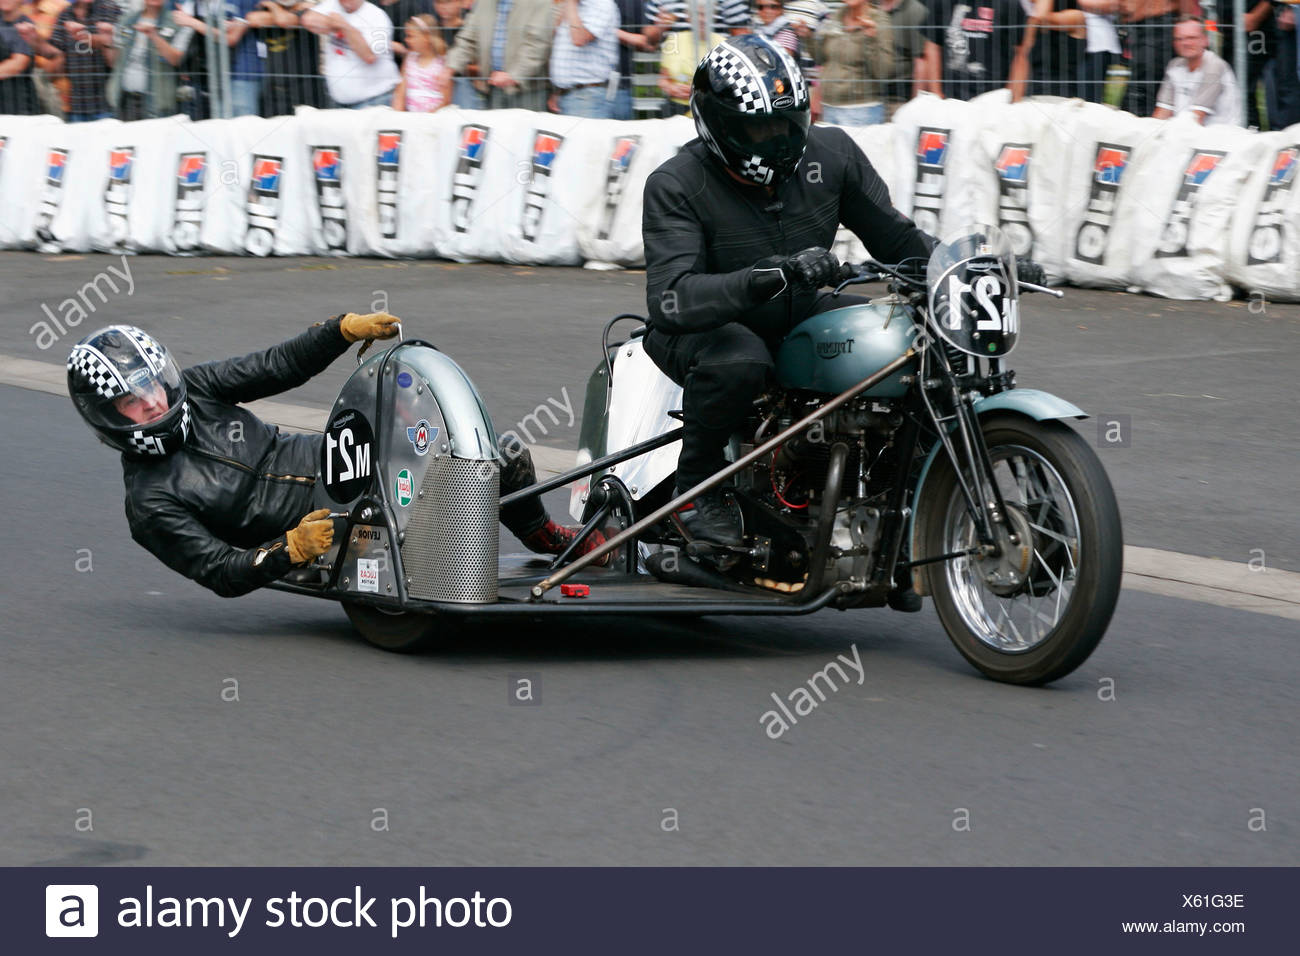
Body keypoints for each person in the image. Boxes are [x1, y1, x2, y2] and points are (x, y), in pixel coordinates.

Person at [640, 34, 934, 610]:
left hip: (800, 310)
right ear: (719, 125)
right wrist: (768, 275)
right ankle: (700, 489)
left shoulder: (834, 156)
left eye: (788, 124)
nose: (777, 141)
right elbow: (670, 299)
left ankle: (907, 498)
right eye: (758, 129)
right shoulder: (676, 183)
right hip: (702, 327)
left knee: (902, 338)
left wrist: (964, 264)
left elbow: (899, 240)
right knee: (741, 356)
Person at [66, 316, 605, 600]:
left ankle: (545, 535)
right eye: (134, 401)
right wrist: (287, 549)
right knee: (436, 488)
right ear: (107, 416)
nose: (156, 401)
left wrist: (338, 332)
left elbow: (275, 366)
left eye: (154, 384)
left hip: (336, 455)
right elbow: (219, 571)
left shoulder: (198, 389)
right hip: (316, 522)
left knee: (496, 447)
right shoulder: (150, 503)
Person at [444, 0, 554, 111]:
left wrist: (514, 75)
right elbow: (468, 39)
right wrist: (450, 68)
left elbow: (538, 43)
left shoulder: (539, 2)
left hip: (529, 91)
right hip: (494, 88)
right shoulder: (483, 3)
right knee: (497, 127)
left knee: (523, 128)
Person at [799, 0, 893, 126]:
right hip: (829, 107)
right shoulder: (837, 15)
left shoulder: (879, 20)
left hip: (861, 110)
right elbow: (822, 58)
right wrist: (808, 37)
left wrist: (870, 39)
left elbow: (884, 72)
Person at [919, 0, 1033, 100]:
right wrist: (936, 94)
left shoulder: (1009, 4)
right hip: (950, 99)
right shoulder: (943, 3)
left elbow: (1022, 53)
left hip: (994, 99)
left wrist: (1012, 97)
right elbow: (932, 47)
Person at [302, 0, 401, 107]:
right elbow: (308, 20)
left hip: (375, 101)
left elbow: (370, 57)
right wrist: (333, 24)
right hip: (337, 101)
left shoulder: (378, 17)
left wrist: (344, 26)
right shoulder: (333, 4)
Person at [106, 0, 194, 120]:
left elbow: (176, 59)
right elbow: (114, 61)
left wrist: (154, 36)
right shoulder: (127, 20)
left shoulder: (177, 22)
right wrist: (107, 42)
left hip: (158, 105)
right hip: (126, 101)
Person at [1152, 15, 1242, 124]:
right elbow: (1162, 112)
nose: (1185, 43)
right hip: (1185, 132)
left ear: (1205, 40)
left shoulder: (1214, 66)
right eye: (1179, 39)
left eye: (1191, 38)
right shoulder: (1174, 65)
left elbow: (1195, 119)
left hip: (1218, 136)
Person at [1119, 0, 1199, 119]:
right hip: (1140, 29)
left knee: (1142, 93)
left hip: (1157, 27)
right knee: (1141, 92)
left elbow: (1186, 5)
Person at [549, 0, 619, 117]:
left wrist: (571, 3)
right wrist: (559, 91)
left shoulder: (601, 4)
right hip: (568, 94)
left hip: (587, 98)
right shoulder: (574, 5)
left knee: (585, 135)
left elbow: (579, 38)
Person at [51, 0, 119, 121]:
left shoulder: (109, 8)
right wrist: (35, 42)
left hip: (106, 104)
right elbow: (55, 52)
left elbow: (115, 51)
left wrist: (85, 36)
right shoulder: (65, 13)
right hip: (76, 105)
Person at [657, 0, 722, 115]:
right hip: (676, 110)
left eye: (706, 14)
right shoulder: (674, 40)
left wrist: (697, 92)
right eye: (697, 14)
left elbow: (727, 86)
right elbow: (663, 80)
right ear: (689, 17)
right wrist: (672, 89)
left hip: (709, 111)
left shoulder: (723, 44)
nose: (702, 19)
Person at [393, 11, 452, 109]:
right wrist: (398, 115)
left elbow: (445, 100)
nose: (406, 40)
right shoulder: (409, 60)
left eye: (410, 36)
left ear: (426, 37)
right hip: (411, 118)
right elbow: (400, 93)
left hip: (434, 118)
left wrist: (427, 119)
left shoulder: (443, 62)